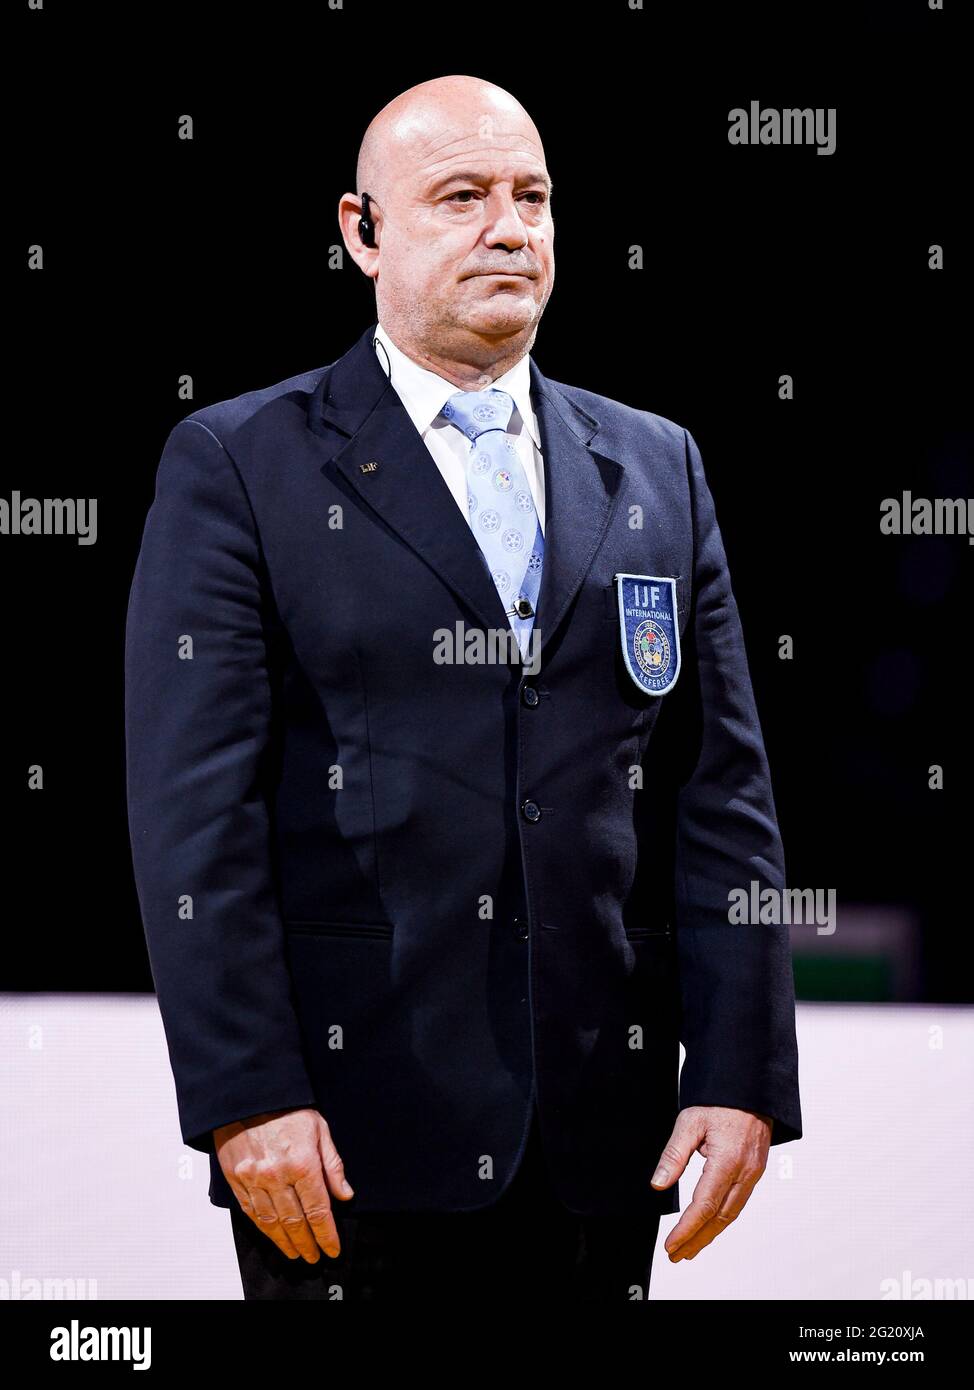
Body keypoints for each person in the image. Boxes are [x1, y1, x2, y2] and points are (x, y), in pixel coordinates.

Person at [124, 73, 801, 1303]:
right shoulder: (239, 462)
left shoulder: (659, 461)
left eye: (532, 196)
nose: (509, 225)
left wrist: (741, 1066)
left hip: (604, 1148)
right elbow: (192, 820)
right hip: (344, 1144)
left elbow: (720, 793)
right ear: (360, 233)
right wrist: (245, 1093)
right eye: (462, 196)